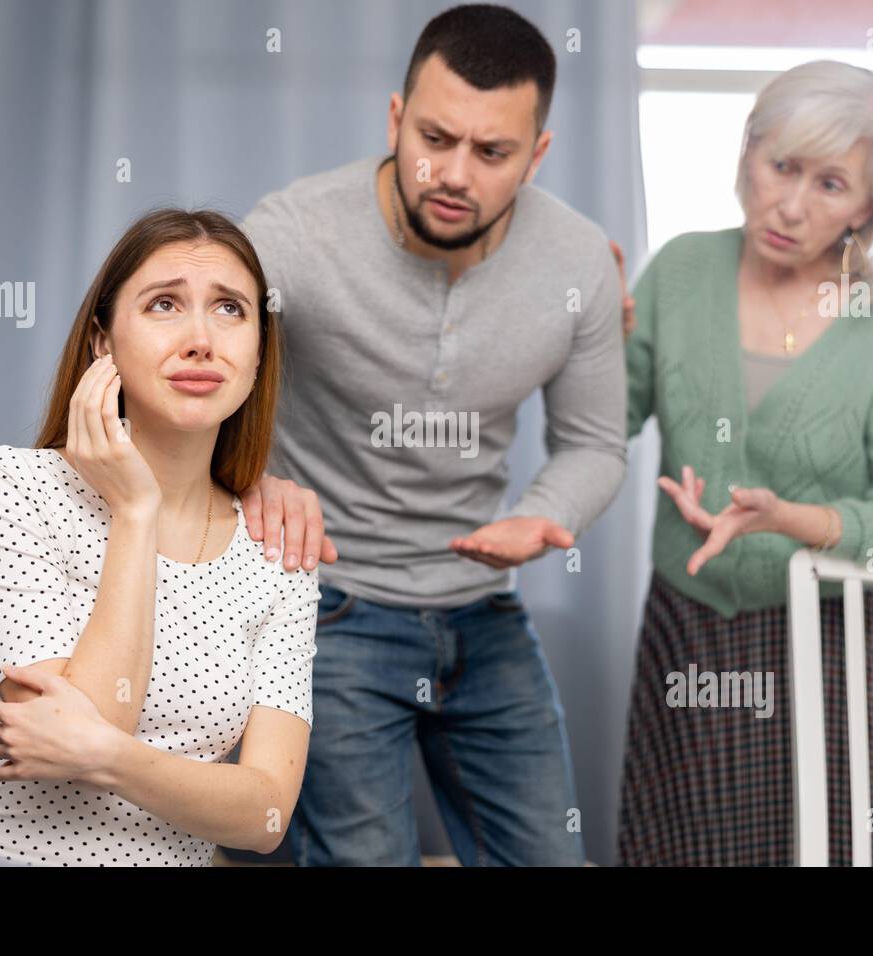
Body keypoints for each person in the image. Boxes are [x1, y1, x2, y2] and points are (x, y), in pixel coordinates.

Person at [239, 3, 629, 865]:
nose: (452, 173)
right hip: (328, 605)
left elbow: (597, 443)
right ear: (394, 118)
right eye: (434, 137)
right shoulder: (294, 235)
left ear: (537, 155)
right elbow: (185, 366)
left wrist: (546, 511)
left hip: (482, 609)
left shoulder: (577, 266)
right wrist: (248, 478)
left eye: (492, 153)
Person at [615, 60, 873, 866]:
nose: (792, 204)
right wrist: (591, 328)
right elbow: (603, 425)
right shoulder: (682, 270)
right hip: (692, 630)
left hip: (844, 642)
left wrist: (788, 520)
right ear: (749, 151)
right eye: (782, 166)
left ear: (871, 205)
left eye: (831, 184)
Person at [0, 208, 318, 866]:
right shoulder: (12, 488)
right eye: (164, 304)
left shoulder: (277, 551)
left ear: (259, 352)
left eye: (230, 310)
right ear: (102, 342)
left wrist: (110, 757)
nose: (202, 339)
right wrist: (137, 511)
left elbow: (264, 815)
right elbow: (72, 741)